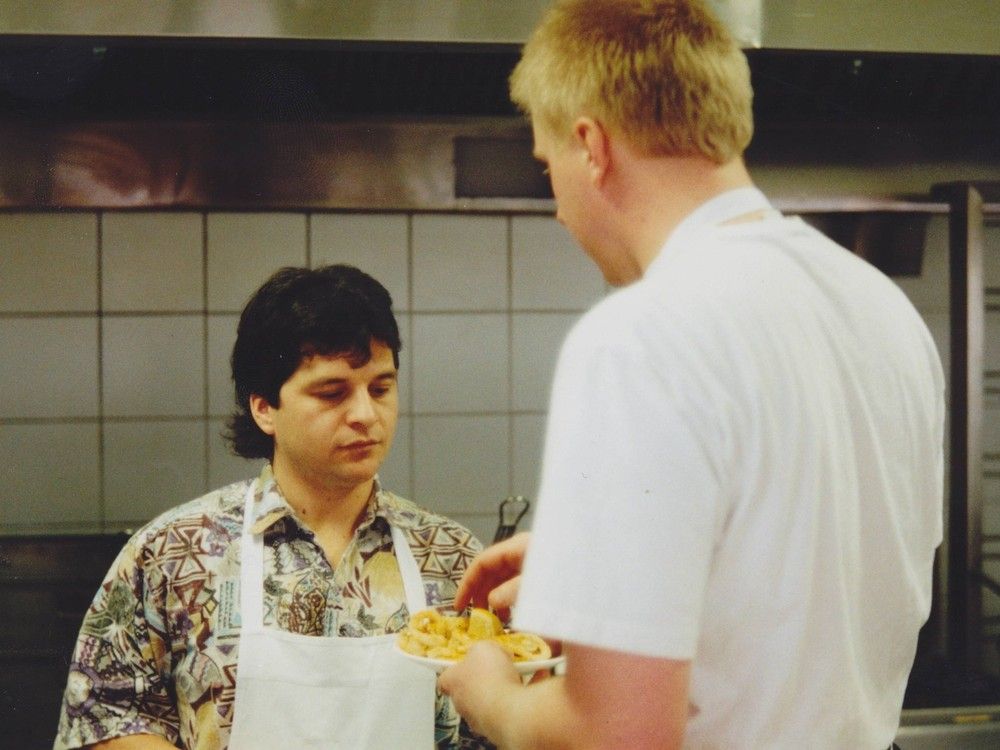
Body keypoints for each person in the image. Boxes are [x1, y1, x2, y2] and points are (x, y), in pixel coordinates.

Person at [438, 1, 945, 748]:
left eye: (548, 168)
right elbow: (811, 572)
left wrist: (493, 696)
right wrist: (597, 562)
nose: (559, 211)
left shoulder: (638, 337)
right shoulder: (882, 309)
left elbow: (620, 737)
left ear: (591, 146)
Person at [55, 265, 489, 749]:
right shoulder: (174, 554)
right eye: (333, 393)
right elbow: (105, 714)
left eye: (381, 389)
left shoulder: (453, 558)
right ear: (265, 408)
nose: (366, 414)